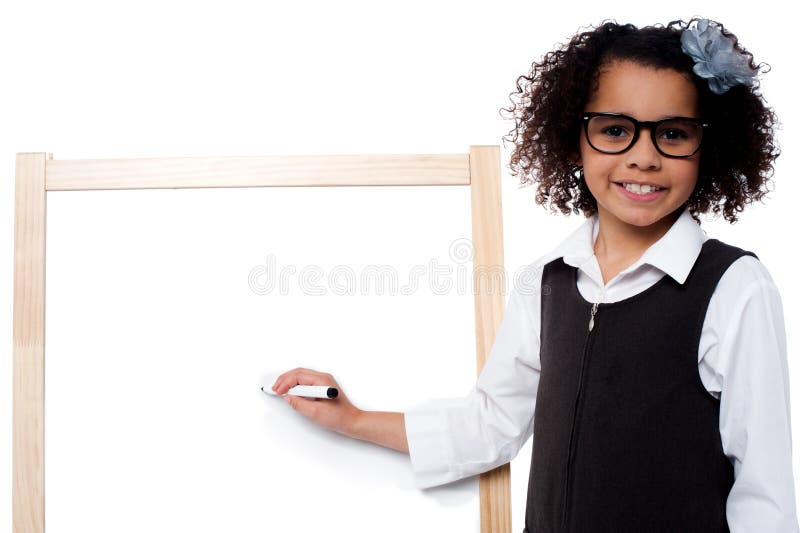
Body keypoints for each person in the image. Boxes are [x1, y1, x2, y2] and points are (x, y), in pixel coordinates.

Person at [270, 17, 798, 532]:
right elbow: (491, 425)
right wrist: (353, 419)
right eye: (615, 130)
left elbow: (764, 493)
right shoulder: (545, 282)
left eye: (673, 134)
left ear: (709, 147)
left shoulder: (734, 286)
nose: (644, 157)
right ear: (575, 140)